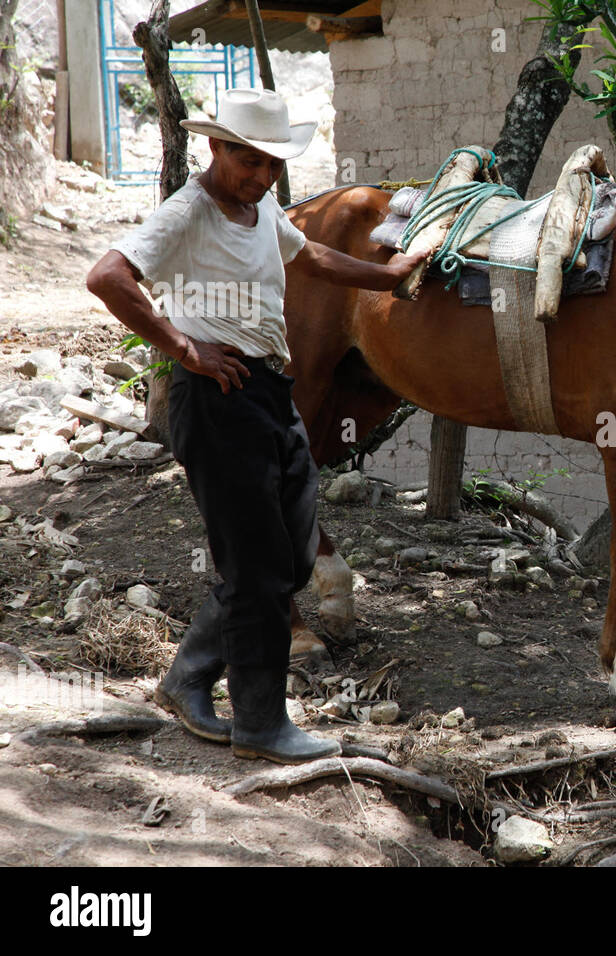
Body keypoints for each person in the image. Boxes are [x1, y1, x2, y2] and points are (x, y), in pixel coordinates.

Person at [86, 88, 421, 763]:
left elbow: (313, 259)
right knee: (256, 571)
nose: (262, 175)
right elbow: (107, 276)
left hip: (270, 387)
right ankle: (262, 725)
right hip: (217, 398)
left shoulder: (260, 206)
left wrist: (389, 276)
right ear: (216, 147)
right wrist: (184, 349)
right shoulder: (188, 211)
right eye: (248, 160)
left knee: (292, 553)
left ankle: (186, 678)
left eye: (271, 164)